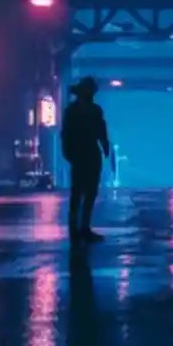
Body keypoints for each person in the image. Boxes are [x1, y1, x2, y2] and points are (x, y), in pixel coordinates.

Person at [61, 76, 111, 243]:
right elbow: (101, 131)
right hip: (88, 153)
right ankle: (83, 227)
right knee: (87, 193)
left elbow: (66, 134)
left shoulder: (72, 110)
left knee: (80, 192)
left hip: (80, 154)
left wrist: (68, 152)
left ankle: (77, 228)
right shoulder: (94, 110)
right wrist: (105, 146)